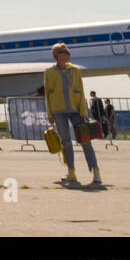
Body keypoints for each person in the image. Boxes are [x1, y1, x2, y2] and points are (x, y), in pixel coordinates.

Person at [44, 42, 101, 185]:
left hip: (76, 110)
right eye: (64, 51)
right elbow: (48, 94)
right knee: (66, 142)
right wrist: (50, 114)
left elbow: (81, 92)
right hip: (58, 111)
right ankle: (71, 172)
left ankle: (95, 171)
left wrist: (83, 111)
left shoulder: (75, 70)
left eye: (68, 51)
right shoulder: (49, 73)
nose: (68, 54)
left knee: (85, 141)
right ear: (57, 55)